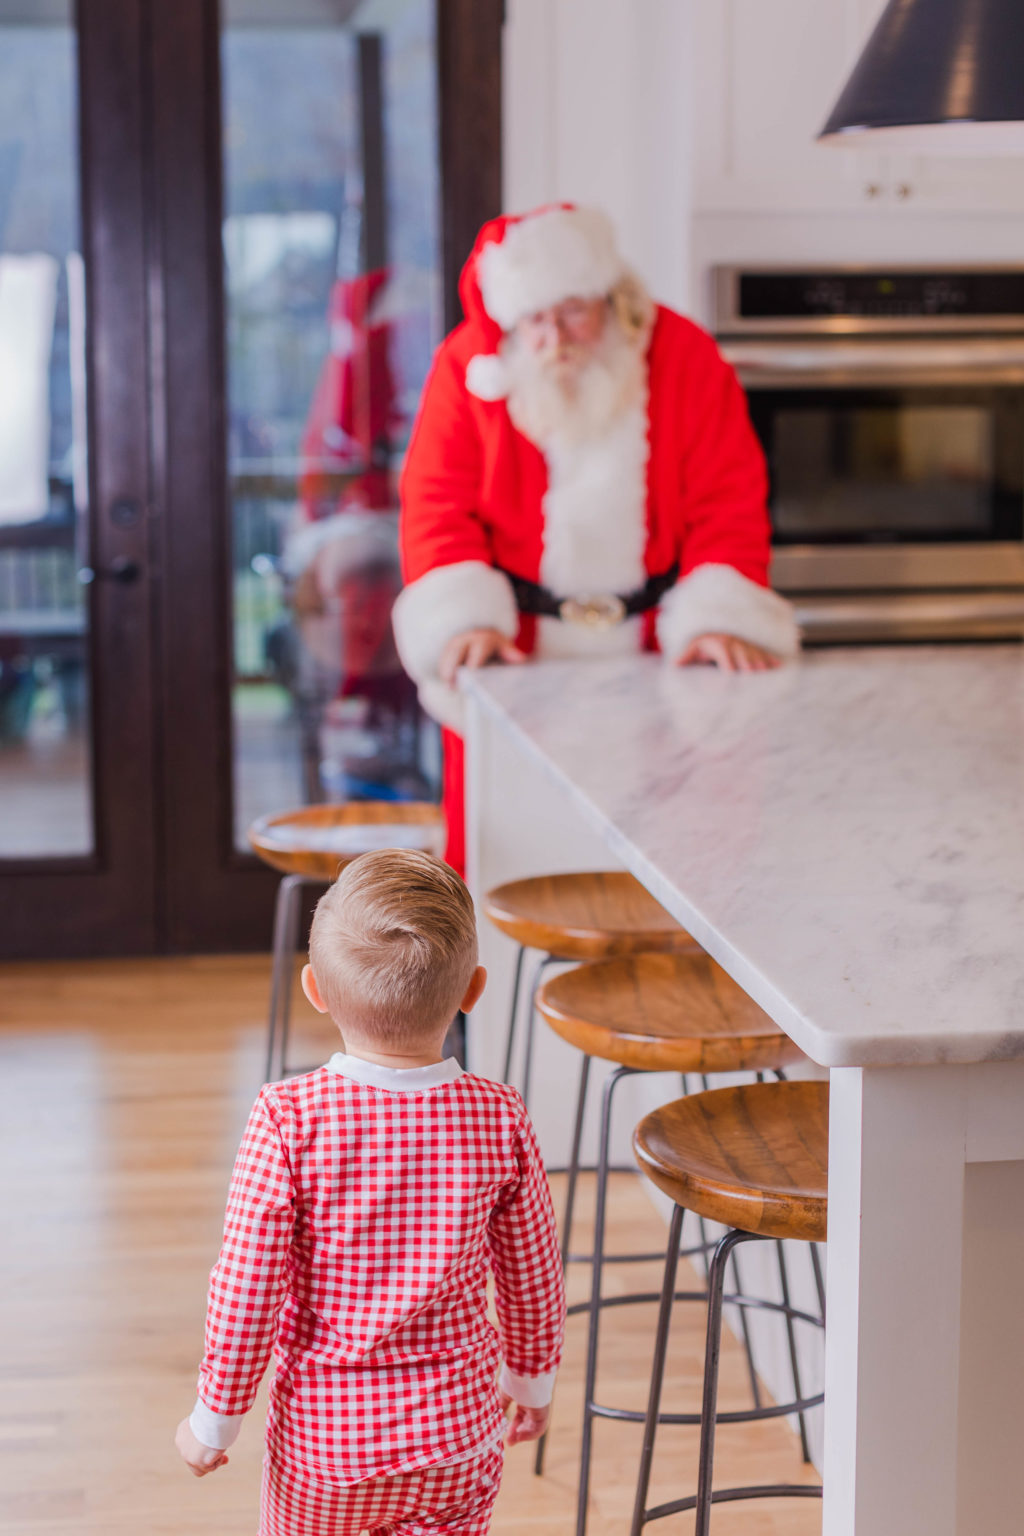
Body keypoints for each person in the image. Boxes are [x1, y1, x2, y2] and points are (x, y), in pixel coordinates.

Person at [392, 203, 800, 871]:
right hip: (520, 655)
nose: (556, 337)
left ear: (609, 297)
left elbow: (729, 499)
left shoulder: (685, 355)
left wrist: (718, 618)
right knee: (512, 872)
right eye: (536, 319)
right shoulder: (467, 369)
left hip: (660, 664)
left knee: (681, 866)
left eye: (573, 310)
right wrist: (463, 622)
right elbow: (436, 503)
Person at [174, 849, 565, 1536]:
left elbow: (247, 1285)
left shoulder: (289, 1119)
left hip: (326, 1449)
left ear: (315, 990)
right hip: (459, 1436)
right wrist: (532, 1381)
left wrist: (216, 1417)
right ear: (473, 990)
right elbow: (533, 1271)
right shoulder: (499, 1115)